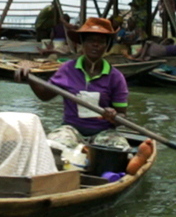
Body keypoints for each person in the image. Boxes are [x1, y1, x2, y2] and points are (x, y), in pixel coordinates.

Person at [15, 16, 130, 151]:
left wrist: (113, 116)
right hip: (71, 129)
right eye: (91, 41)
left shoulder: (116, 77)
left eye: (101, 42)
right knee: (49, 147)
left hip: (103, 131)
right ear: (83, 43)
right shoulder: (67, 69)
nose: (95, 45)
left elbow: (122, 115)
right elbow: (45, 96)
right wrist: (29, 78)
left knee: (121, 151)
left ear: (107, 46)